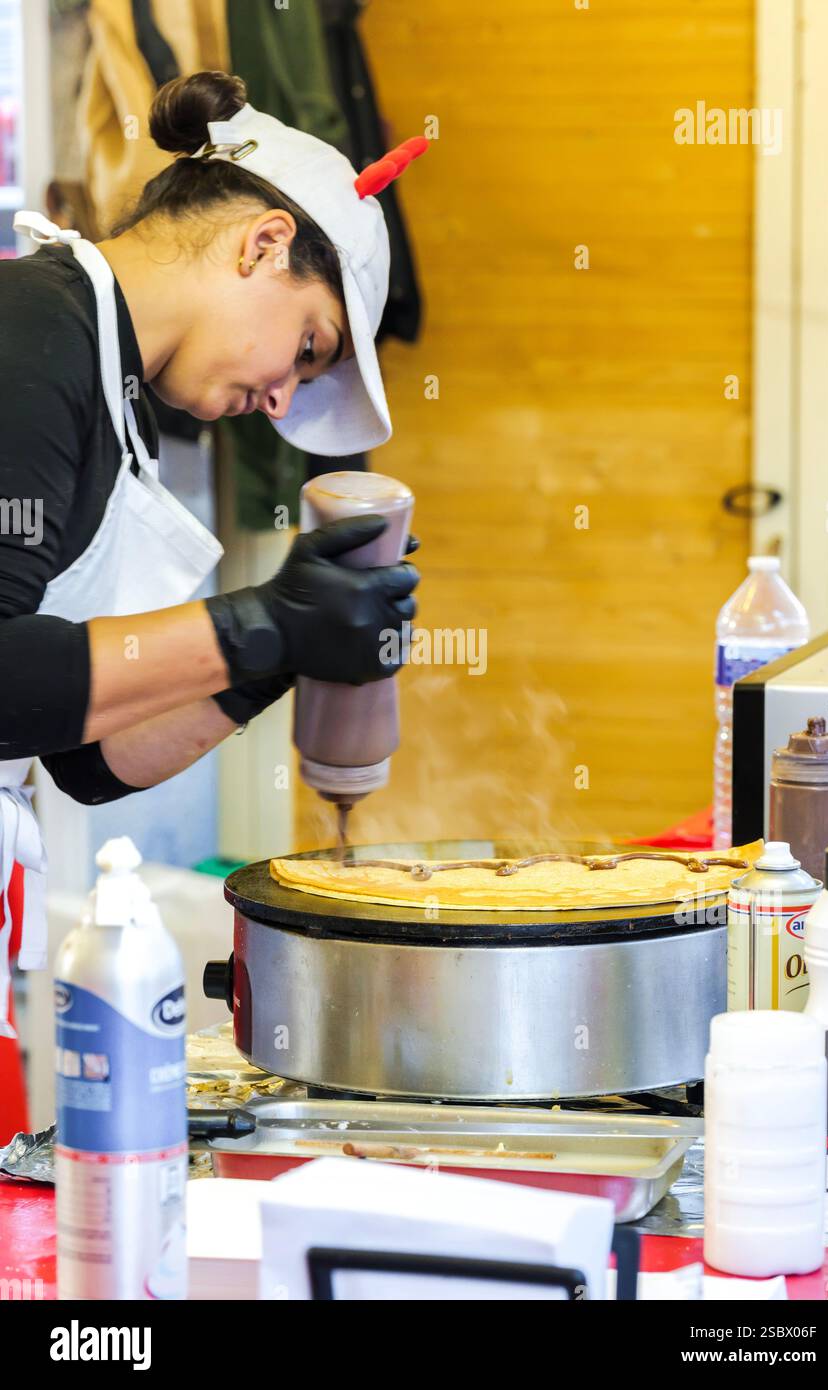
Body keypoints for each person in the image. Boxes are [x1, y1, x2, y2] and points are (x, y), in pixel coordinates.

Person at [0, 70, 425, 1124]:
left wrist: (281, 654)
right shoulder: (29, 340)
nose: (280, 398)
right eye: (308, 348)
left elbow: (84, 754)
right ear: (263, 244)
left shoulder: (107, 396)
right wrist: (257, 621)